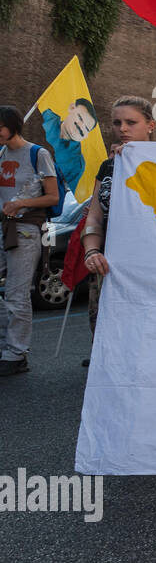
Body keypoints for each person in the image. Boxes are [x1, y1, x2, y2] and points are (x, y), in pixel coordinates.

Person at [81, 96, 156, 340]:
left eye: (131, 122)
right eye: (117, 122)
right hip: (108, 266)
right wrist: (92, 252)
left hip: (150, 267)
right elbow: (94, 215)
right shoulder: (107, 166)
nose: (122, 129)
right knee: (104, 334)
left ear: (150, 125)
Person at [0, 106, 61, 376]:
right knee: (11, 295)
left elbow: (53, 197)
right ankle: (6, 344)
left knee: (16, 292)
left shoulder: (38, 154)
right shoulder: (1, 153)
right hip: (2, 228)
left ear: (13, 125)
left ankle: (16, 353)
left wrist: (21, 203)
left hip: (25, 230)